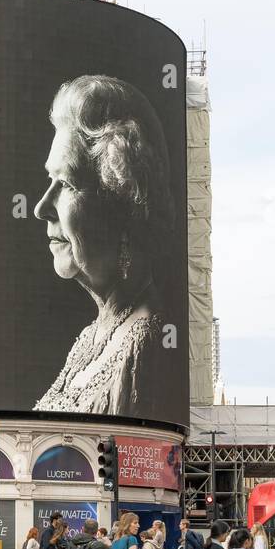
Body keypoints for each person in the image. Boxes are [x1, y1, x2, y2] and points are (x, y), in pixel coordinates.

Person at [31, 74, 177, 416]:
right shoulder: (90, 337)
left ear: (121, 205)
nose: (40, 207)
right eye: (50, 179)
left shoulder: (145, 343)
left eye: (66, 184)